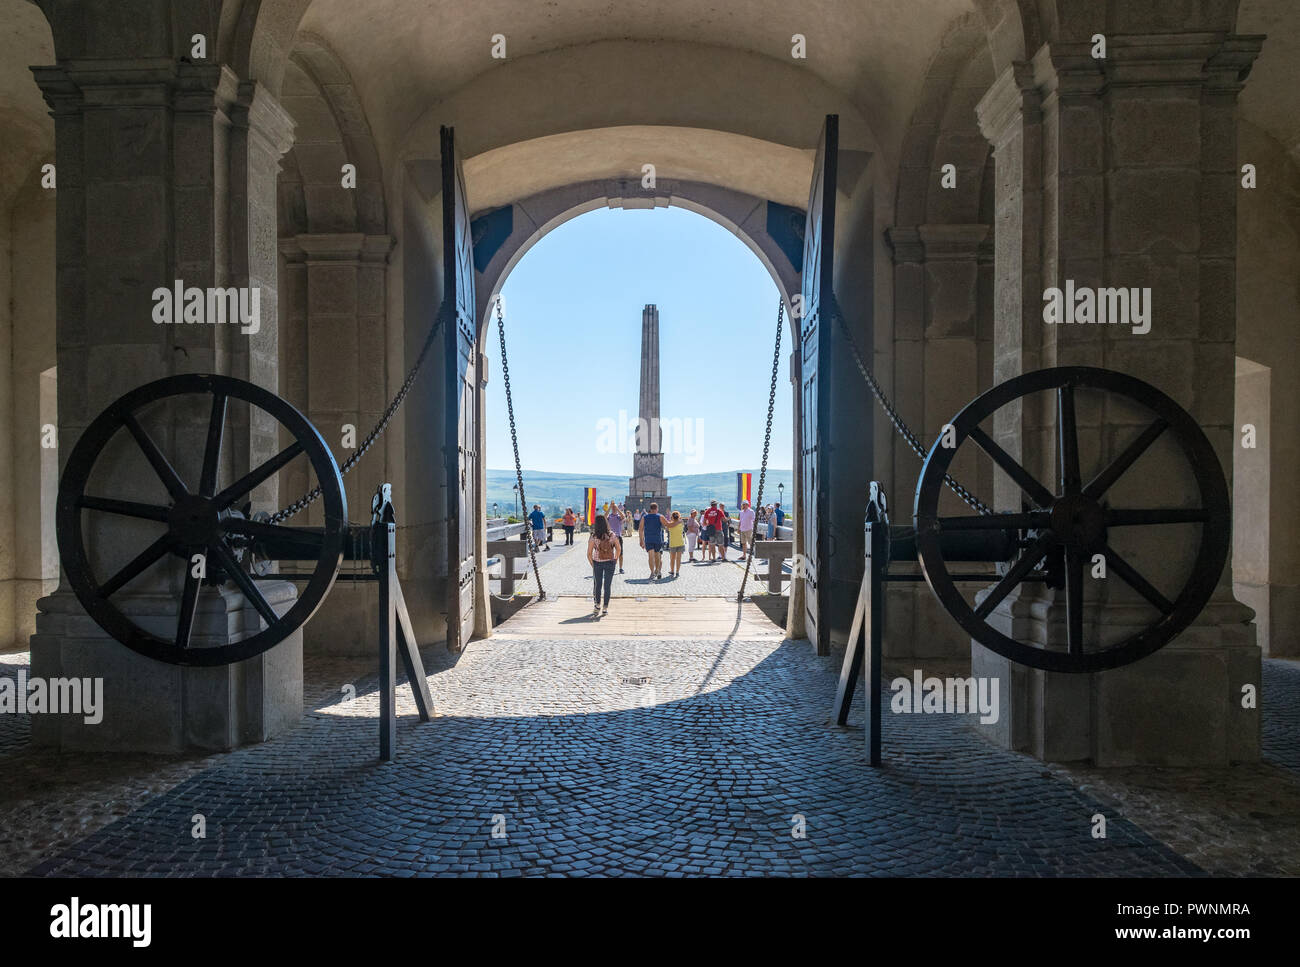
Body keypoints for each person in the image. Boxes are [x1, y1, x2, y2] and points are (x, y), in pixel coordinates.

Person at [587, 513, 621, 616]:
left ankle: (597, 605)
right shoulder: (612, 535)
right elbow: (618, 549)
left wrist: (593, 564)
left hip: (597, 562)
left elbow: (588, 554)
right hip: (610, 562)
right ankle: (605, 607)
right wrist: (615, 560)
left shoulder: (593, 536)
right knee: (607, 586)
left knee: (598, 585)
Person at [639, 501, 668, 579]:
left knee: (650, 556)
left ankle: (652, 572)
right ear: (657, 509)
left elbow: (640, 529)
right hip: (658, 539)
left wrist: (641, 540)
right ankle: (657, 570)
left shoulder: (644, 517)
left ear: (650, 509)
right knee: (657, 556)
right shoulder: (660, 516)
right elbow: (667, 525)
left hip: (648, 539)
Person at [664, 510, 686, 577]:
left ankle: (672, 571)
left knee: (672, 558)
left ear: (672, 517)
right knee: (679, 558)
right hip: (680, 542)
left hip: (673, 543)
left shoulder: (670, 525)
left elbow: (666, 528)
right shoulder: (681, 523)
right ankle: (677, 572)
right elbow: (680, 521)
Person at [607, 504, 626, 573]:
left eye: (615, 508)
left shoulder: (619, 516)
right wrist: (609, 507)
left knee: (620, 553)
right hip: (610, 536)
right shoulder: (609, 516)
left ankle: (620, 568)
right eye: (613, 508)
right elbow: (604, 517)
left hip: (618, 536)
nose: (614, 509)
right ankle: (610, 567)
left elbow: (623, 516)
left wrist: (617, 508)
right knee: (609, 553)